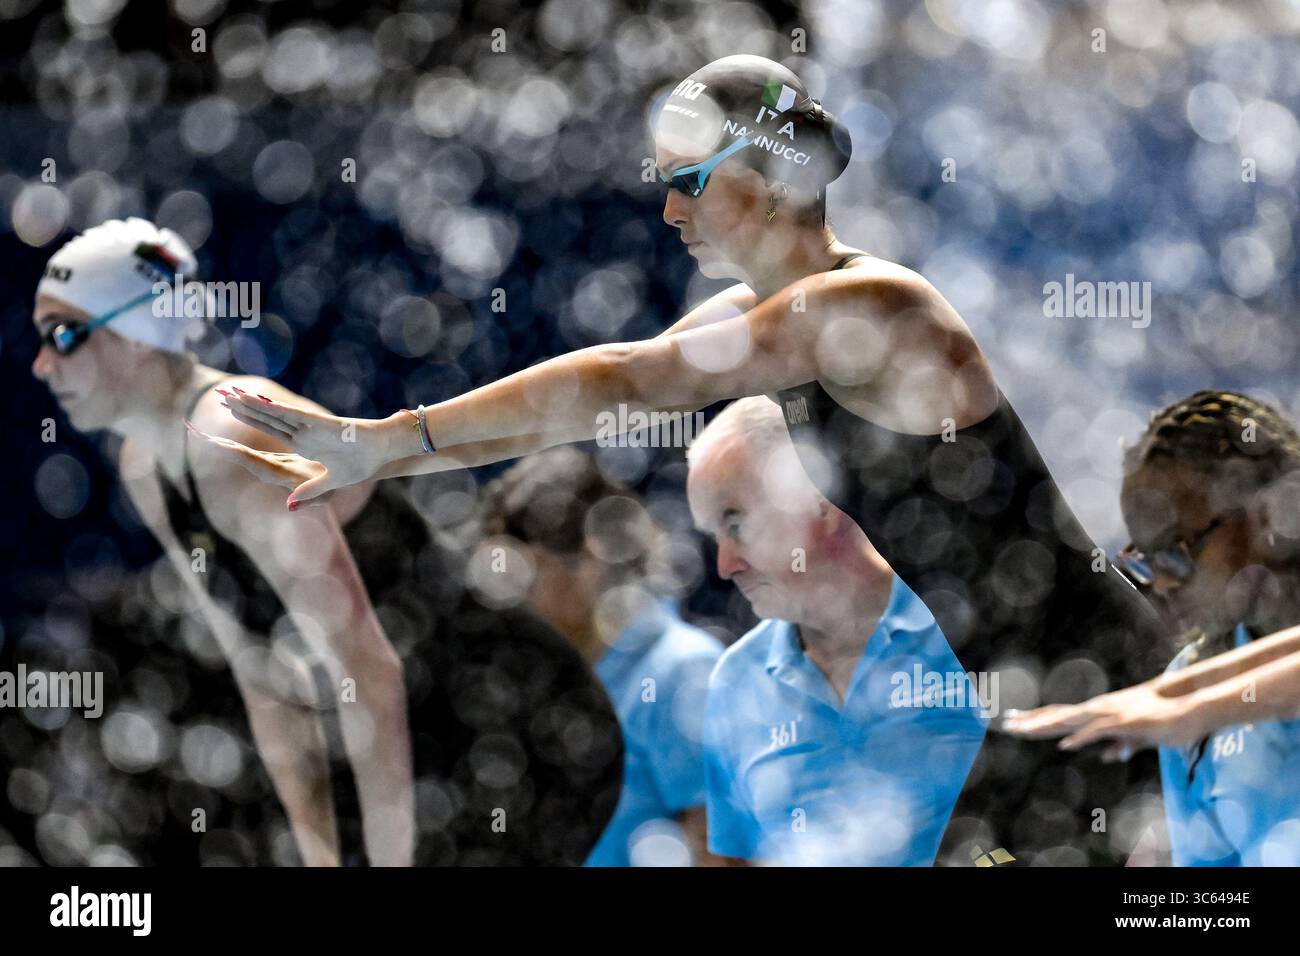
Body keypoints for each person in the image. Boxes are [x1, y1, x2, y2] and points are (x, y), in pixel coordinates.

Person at [205, 54, 1166, 863]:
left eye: (689, 180)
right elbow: (574, 410)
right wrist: (386, 456)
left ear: (771, 175)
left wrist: (390, 438)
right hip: (1035, 713)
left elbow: (626, 376)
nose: (668, 212)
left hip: (1117, 690)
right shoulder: (769, 318)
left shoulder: (866, 307)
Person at [30, 217, 623, 865]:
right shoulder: (144, 464)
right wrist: (319, 856)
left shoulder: (233, 437)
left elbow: (370, 669)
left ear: (135, 337)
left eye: (64, 335)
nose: (41, 365)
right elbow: (266, 680)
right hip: (426, 747)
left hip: (529, 732)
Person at [1004, 390, 1300, 865]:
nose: (1161, 583)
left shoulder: (1185, 701)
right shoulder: (1184, 681)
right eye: (1144, 562)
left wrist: (1195, 705)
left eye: (1176, 550)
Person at [687, 397, 987, 865]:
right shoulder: (735, 679)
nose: (725, 566)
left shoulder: (965, 629)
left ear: (816, 496)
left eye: (737, 523)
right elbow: (734, 860)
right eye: (714, 537)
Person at [479, 448, 727, 865]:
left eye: (527, 572)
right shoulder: (544, 680)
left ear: (592, 558)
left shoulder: (684, 672)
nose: (508, 598)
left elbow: (721, 854)